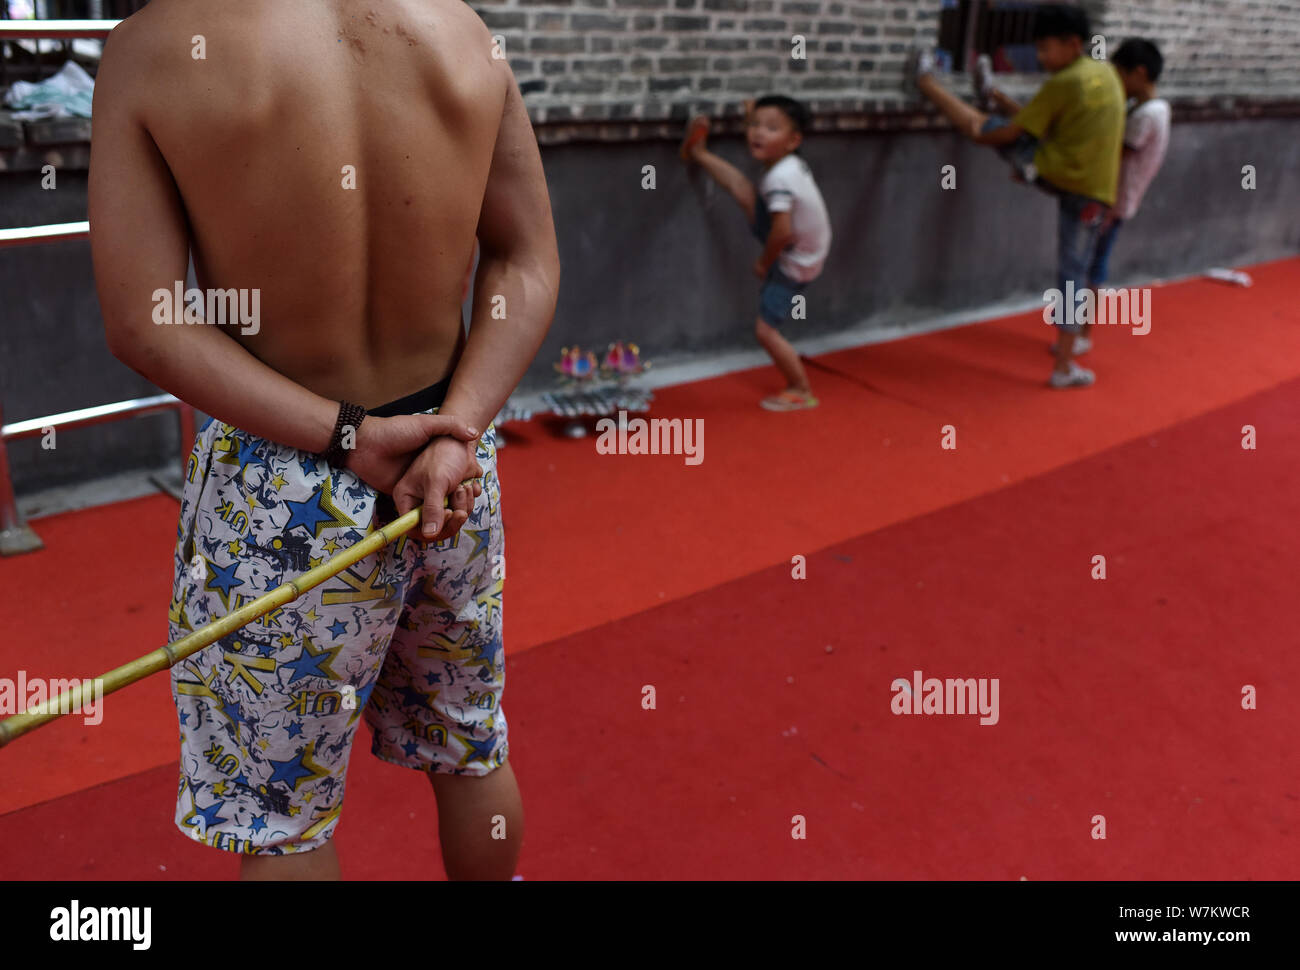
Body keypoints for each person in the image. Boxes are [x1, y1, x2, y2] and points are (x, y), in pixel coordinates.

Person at [87, 0, 559, 880]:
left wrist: (349, 436)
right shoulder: (458, 27)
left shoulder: (154, 45)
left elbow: (147, 322)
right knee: (469, 747)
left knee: (280, 819)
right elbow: (526, 261)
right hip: (446, 467)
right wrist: (457, 431)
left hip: (285, 483)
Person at [908, 4, 1125, 387]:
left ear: (1072, 44)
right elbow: (1039, 123)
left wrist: (981, 133)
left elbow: (1013, 134)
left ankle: (925, 82)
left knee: (980, 126)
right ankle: (1068, 357)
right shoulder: (1103, 73)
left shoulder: (1065, 82)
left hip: (1060, 176)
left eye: (1045, 49)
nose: (1040, 58)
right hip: (1093, 188)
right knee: (1079, 273)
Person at [680, 95, 832, 411]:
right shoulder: (788, 163)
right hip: (806, 247)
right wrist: (754, 116)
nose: (757, 133)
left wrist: (765, 262)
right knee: (746, 192)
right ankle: (697, 153)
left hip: (794, 262)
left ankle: (800, 388)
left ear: (793, 141)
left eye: (771, 128)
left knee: (766, 331)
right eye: (754, 126)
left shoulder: (779, 178)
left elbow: (782, 231)